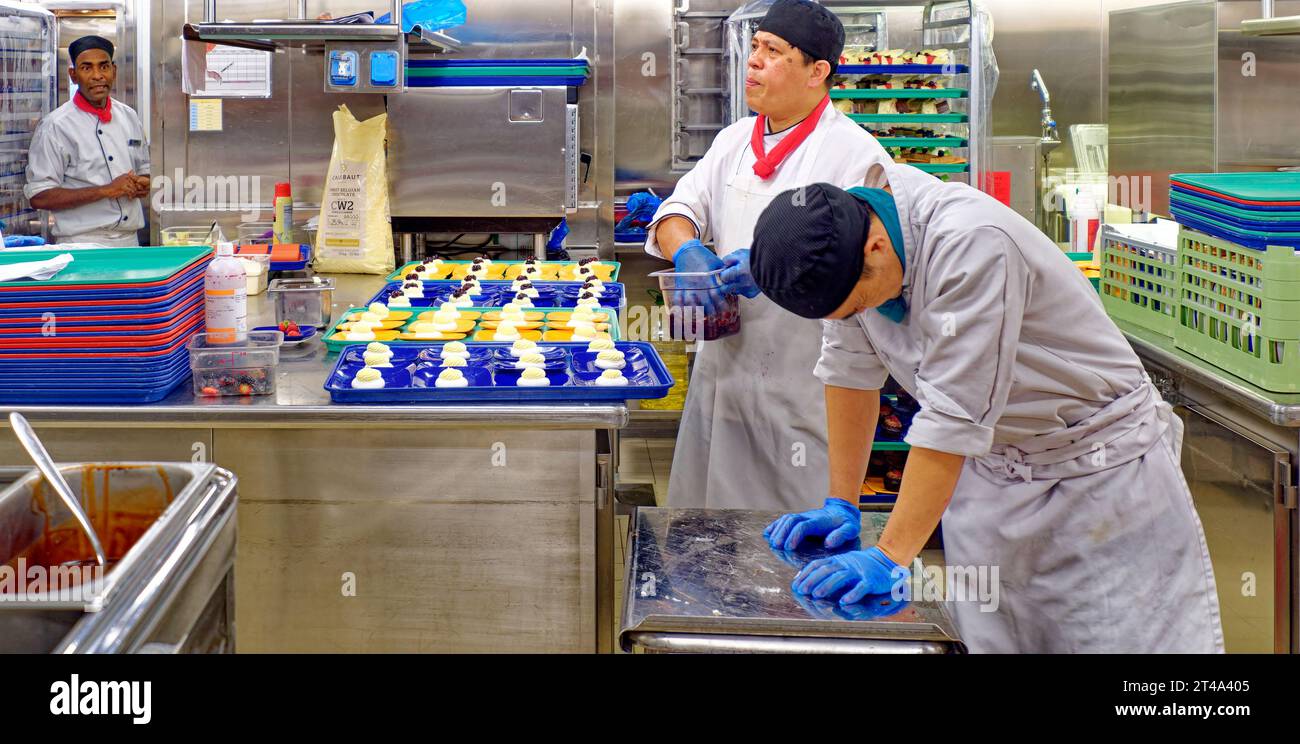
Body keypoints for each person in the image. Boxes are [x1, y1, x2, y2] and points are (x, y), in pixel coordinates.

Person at [751, 164, 1224, 653]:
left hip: (1098, 483)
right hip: (991, 481)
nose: (856, 316)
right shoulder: (848, 244)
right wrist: (841, 501)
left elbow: (951, 419)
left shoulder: (972, 244)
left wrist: (890, 555)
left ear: (875, 248)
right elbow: (849, 373)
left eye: (856, 305)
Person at [645, 0, 892, 510]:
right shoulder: (734, 141)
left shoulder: (856, 155)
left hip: (802, 389)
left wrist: (775, 270)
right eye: (754, 47)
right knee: (704, 533)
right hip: (722, 380)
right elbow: (676, 211)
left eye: (773, 51)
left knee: (786, 550)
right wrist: (688, 249)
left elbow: (870, 275)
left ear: (817, 72)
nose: (753, 61)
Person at [24, 36, 150, 247]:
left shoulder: (129, 116)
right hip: (82, 243)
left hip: (129, 242)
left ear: (114, 71)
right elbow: (39, 196)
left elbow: (143, 170)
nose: (97, 76)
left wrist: (142, 184)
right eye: (86, 68)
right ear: (73, 75)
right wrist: (106, 190)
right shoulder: (56, 126)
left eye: (104, 66)